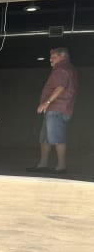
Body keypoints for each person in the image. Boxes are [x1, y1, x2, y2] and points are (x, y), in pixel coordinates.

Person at [27, 47, 78, 176]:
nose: (50, 59)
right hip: (53, 109)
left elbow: (60, 87)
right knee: (45, 138)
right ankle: (43, 164)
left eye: (54, 57)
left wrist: (47, 102)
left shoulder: (62, 68)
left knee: (57, 138)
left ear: (63, 56)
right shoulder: (66, 68)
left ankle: (61, 166)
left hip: (56, 109)